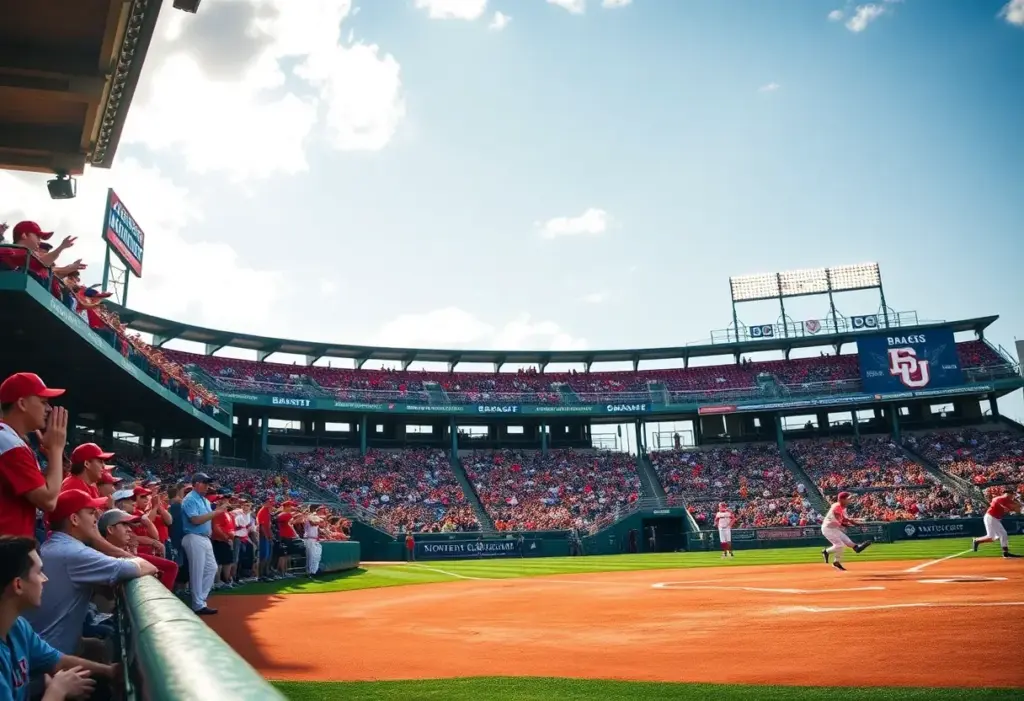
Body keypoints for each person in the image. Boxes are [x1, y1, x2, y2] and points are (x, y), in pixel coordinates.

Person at [24, 490, 159, 655]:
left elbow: (107, 594)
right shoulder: (72, 551)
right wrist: (100, 541)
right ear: (74, 519)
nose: (96, 518)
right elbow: (145, 567)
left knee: (99, 647)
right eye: (90, 512)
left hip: (43, 648)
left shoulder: (55, 545)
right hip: (48, 659)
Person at [0, 535, 121, 701]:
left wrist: (109, 671)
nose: (45, 579)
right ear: (18, 585)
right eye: (39, 572)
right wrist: (57, 690)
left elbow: (57, 661)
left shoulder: (17, 625)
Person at [0, 373, 67, 536]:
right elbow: (48, 501)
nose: (49, 409)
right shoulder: (8, 443)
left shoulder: (12, 439)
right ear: (22, 403)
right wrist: (56, 449)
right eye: (43, 402)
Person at [181, 473, 228, 615]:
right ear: (195, 484)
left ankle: (200, 600)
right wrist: (217, 512)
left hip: (204, 538)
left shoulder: (205, 500)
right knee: (197, 571)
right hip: (193, 536)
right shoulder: (190, 499)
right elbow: (195, 520)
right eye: (204, 483)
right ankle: (197, 604)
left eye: (208, 483)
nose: (207, 486)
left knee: (211, 568)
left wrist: (216, 510)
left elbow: (208, 517)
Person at [820, 492, 873, 571]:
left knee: (848, 542)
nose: (850, 500)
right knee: (840, 545)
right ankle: (829, 554)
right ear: (841, 499)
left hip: (835, 528)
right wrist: (854, 523)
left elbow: (844, 520)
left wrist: (854, 522)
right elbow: (842, 521)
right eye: (848, 499)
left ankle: (856, 548)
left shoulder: (843, 508)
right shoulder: (837, 506)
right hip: (828, 529)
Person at [972, 488, 1022, 558]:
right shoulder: (1000, 498)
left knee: (992, 537)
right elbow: (994, 500)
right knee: (1003, 534)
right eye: (1011, 494)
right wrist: (1004, 506)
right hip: (990, 517)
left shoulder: (1010, 501)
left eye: (1012, 494)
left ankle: (977, 540)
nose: (1012, 495)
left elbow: (1018, 510)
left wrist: (1017, 503)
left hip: (995, 518)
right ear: (1007, 493)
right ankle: (1005, 553)